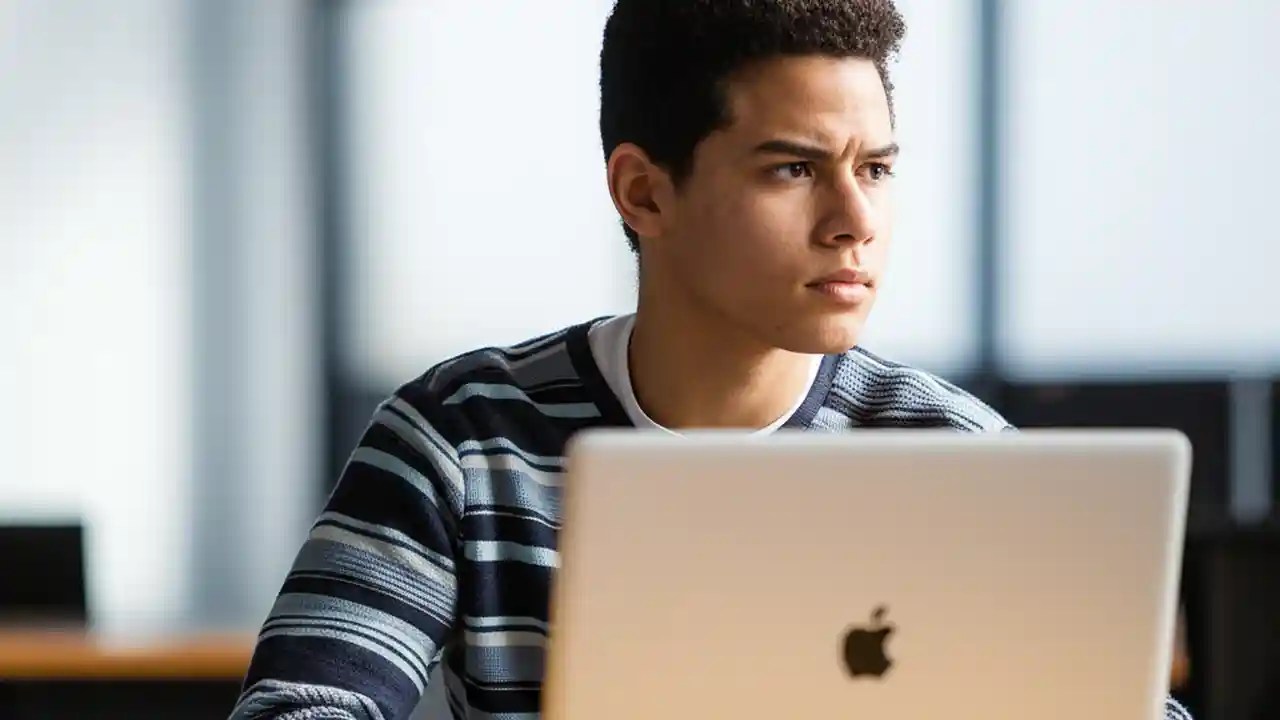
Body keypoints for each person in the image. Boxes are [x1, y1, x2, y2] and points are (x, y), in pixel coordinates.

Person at [230, 1, 1191, 718]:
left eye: (877, 169)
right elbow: (298, 708)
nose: (855, 223)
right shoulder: (465, 436)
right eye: (794, 169)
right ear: (644, 194)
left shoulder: (961, 457)